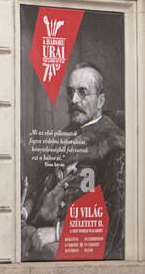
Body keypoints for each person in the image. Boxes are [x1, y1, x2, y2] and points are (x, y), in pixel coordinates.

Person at [21, 63, 125, 261]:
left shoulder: (113, 147)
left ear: (101, 100)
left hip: (76, 243)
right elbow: (45, 183)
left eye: (82, 92)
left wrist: (58, 232)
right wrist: (25, 210)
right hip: (39, 227)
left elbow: (116, 220)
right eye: (70, 93)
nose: (74, 100)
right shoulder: (66, 135)